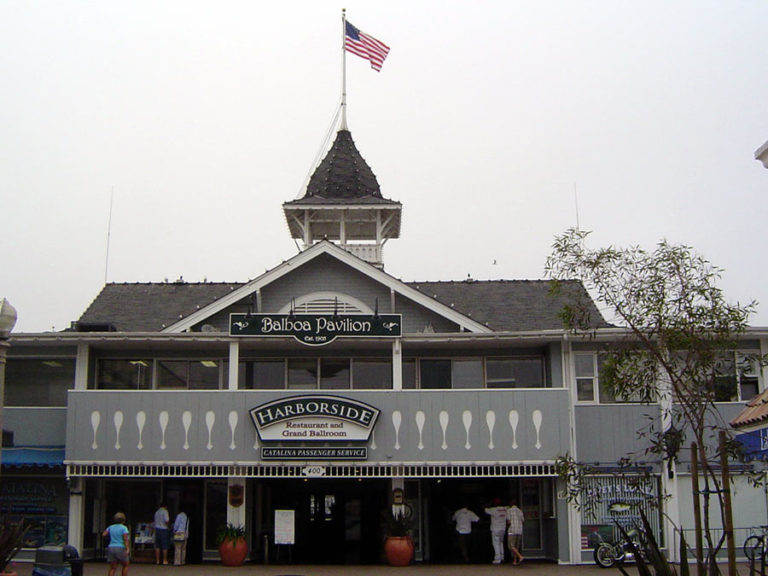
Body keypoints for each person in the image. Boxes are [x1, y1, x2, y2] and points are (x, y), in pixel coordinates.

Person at [102, 512, 130, 576]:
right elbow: (125, 538)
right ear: (123, 520)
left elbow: (104, 534)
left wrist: (109, 537)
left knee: (112, 567)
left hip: (111, 547)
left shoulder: (110, 527)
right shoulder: (124, 528)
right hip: (121, 547)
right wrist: (127, 548)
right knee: (125, 565)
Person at [484, 497, 509, 564]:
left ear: (494, 504)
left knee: (496, 543)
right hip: (503, 529)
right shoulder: (505, 509)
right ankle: (502, 557)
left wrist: (489, 503)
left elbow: (485, 510)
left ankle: (497, 559)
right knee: (501, 543)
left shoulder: (493, 509)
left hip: (495, 528)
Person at [507, 499, 525, 565]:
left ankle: (520, 556)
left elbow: (508, 521)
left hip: (512, 530)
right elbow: (523, 521)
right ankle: (515, 561)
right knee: (516, 547)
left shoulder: (509, 511)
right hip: (519, 530)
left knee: (511, 546)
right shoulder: (520, 511)